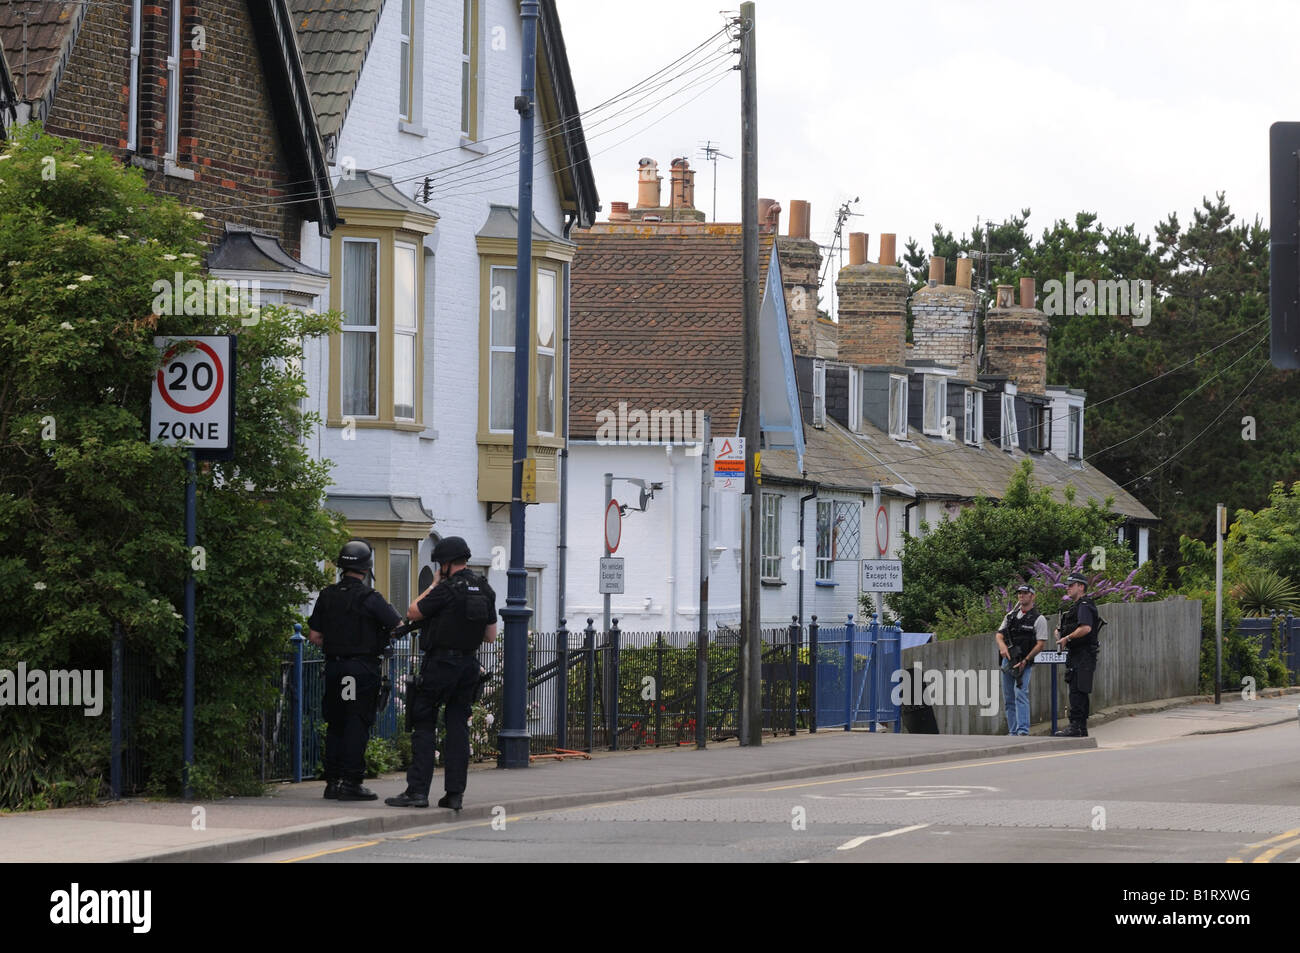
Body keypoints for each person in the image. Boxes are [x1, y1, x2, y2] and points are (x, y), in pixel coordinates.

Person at [386, 537, 497, 811]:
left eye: (439, 565)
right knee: (458, 727)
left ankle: (417, 792)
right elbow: (491, 636)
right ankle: (454, 794)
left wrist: (434, 584)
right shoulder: (484, 589)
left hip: (440, 666)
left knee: (424, 722)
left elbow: (413, 611)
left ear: (446, 564)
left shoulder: (446, 589)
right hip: (469, 667)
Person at [308, 539, 402, 801]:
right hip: (358, 671)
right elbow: (397, 625)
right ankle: (350, 782)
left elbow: (314, 635)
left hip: (334, 668)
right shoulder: (370, 598)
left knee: (336, 722)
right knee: (355, 723)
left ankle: (332, 781)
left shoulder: (327, 595)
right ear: (366, 569)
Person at [995, 584, 1048, 736]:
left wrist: (1026, 660)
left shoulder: (1039, 619)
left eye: (1025, 593)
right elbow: (999, 635)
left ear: (1032, 596)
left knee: (1021, 694)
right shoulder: (1010, 616)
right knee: (1008, 698)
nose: (1021, 596)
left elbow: (1040, 644)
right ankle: (1012, 731)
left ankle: (1023, 731)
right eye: (1019, 593)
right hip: (1008, 660)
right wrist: (1002, 647)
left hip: (1025, 662)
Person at [1054, 572, 1100, 737]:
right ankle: (1080, 727)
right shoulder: (1076, 606)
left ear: (1081, 586)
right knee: (1078, 689)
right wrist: (1060, 632)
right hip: (1077, 654)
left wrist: (1067, 637)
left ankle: (1076, 726)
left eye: (1071, 585)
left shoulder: (1085, 605)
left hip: (1083, 655)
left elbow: (1086, 628)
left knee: (1078, 691)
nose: (1067, 587)